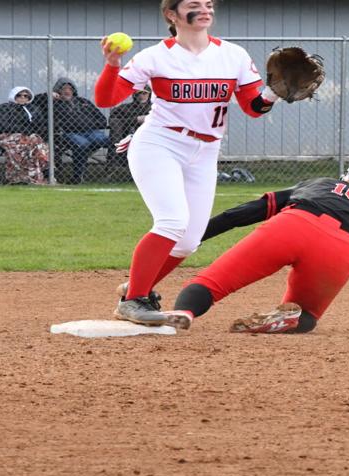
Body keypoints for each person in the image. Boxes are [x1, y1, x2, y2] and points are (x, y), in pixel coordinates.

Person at [95, 0, 277, 327]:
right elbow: (105, 99)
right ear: (171, 14)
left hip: (204, 152)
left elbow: (253, 107)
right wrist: (112, 64)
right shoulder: (155, 56)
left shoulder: (232, 55)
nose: (206, 9)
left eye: (209, 4)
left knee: (190, 239)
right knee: (171, 221)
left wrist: (276, 93)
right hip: (160, 143)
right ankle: (133, 300)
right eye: (194, 4)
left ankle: (139, 287)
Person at [154, 153, 349, 337]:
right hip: (339, 251)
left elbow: (245, 212)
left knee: (212, 283)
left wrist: (196, 235)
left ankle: (185, 313)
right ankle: (291, 318)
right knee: (307, 316)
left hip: (292, 225)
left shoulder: (320, 183)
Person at [50, 78, 111, 183]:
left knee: (110, 141)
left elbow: (102, 120)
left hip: (90, 132)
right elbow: (58, 123)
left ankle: (112, 172)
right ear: (58, 91)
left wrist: (88, 125)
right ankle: (77, 177)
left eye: (70, 88)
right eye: (64, 88)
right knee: (82, 144)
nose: (67, 91)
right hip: (69, 133)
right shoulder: (54, 104)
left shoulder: (83, 102)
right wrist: (50, 96)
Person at [0, 86, 51, 184]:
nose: (23, 98)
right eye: (19, 95)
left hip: (30, 137)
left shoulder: (34, 109)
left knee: (34, 143)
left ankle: (26, 178)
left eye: (26, 96)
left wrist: (31, 132)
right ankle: (38, 176)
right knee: (35, 145)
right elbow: (2, 124)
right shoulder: (5, 107)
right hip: (8, 136)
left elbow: (41, 125)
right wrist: (25, 130)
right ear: (13, 96)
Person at [108, 87, 152, 174]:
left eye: (144, 93)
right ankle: (116, 166)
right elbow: (113, 118)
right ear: (135, 95)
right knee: (116, 124)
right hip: (128, 134)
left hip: (151, 135)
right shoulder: (126, 108)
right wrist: (136, 119)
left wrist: (149, 119)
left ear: (149, 95)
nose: (141, 96)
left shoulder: (155, 108)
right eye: (139, 93)